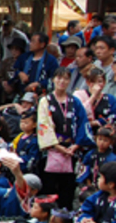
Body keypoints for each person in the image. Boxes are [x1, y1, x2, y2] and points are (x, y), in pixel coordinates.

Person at [38, 67, 92, 210]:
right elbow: (44, 125)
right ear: (53, 79)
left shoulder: (75, 101)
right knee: (49, 188)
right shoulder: (46, 101)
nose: (62, 81)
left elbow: (82, 123)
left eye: (66, 78)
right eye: (59, 78)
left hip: (71, 150)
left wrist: (76, 145)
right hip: (52, 150)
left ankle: (66, 218)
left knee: (67, 190)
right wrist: (57, 146)